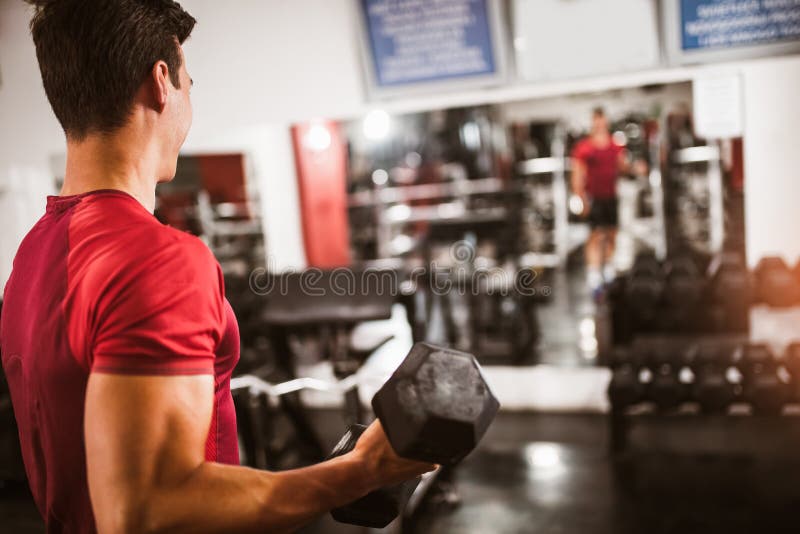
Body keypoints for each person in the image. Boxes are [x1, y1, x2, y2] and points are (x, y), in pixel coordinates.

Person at [0, 1, 433, 533]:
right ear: (162, 82)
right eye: (190, 81)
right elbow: (148, 511)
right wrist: (360, 471)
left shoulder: (32, 252)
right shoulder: (157, 259)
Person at [571, 108, 644, 289]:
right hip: (593, 197)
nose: (600, 125)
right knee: (595, 235)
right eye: (597, 121)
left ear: (606, 122)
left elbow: (623, 167)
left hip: (610, 196)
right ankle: (594, 273)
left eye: (602, 121)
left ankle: (609, 268)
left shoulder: (614, 146)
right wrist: (580, 196)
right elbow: (578, 173)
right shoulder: (585, 148)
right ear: (593, 122)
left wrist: (637, 168)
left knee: (612, 233)